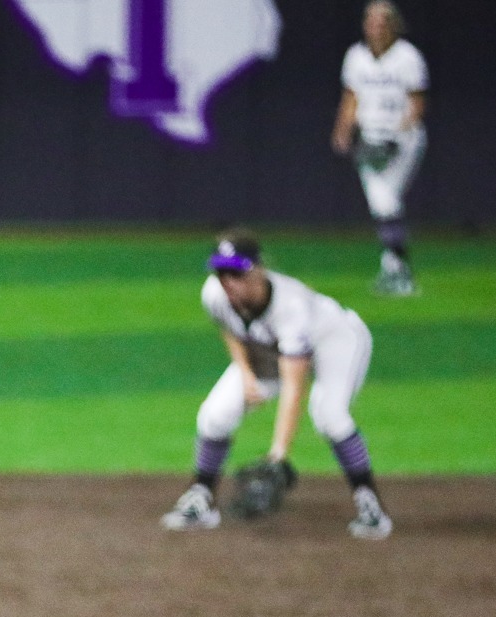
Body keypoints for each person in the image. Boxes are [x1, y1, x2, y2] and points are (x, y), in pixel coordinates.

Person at [161, 230, 393, 539]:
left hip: (335, 340)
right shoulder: (214, 294)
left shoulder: (291, 307)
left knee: (329, 416)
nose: (227, 280)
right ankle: (200, 497)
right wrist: (245, 374)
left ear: (258, 270)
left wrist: (278, 455)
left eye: (236, 272)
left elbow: (293, 387)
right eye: (221, 272)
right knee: (214, 415)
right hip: (268, 348)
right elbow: (230, 329)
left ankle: (370, 506)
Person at [331, 1, 428, 296]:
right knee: (383, 205)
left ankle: (399, 273)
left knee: (385, 202)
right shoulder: (356, 57)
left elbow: (417, 102)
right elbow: (351, 98)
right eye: (371, 22)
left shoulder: (407, 57)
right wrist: (342, 130)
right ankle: (395, 269)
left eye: (382, 22)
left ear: (393, 25)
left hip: (404, 140)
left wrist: (399, 132)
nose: (375, 27)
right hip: (369, 138)